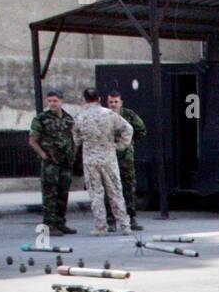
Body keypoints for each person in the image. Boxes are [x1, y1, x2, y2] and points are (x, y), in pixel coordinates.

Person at [71, 87, 132, 237]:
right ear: (99, 99)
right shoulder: (109, 114)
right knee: (116, 191)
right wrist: (120, 146)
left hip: (90, 160)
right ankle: (125, 225)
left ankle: (100, 226)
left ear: (85, 100)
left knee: (96, 193)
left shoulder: (80, 117)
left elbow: (77, 140)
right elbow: (128, 129)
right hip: (108, 157)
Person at [28, 89, 76, 236]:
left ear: (61, 101)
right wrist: (43, 154)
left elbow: (73, 138)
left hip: (65, 163)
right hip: (50, 164)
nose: (52, 104)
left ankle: (60, 223)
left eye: (55, 101)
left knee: (63, 193)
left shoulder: (68, 119)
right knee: (50, 195)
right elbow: (32, 140)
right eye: (50, 101)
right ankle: (49, 225)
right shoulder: (41, 119)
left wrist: (73, 155)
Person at [104, 92, 146, 232]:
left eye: (116, 102)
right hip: (108, 158)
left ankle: (131, 218)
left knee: (128, 188)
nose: (113, 105)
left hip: (125, 158)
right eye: (111, 102)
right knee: (109, 189)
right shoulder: (103, 116)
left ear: (121, 103)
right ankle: (111, 221)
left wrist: (129, 143)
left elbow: (141, 129)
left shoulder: (128, 115)